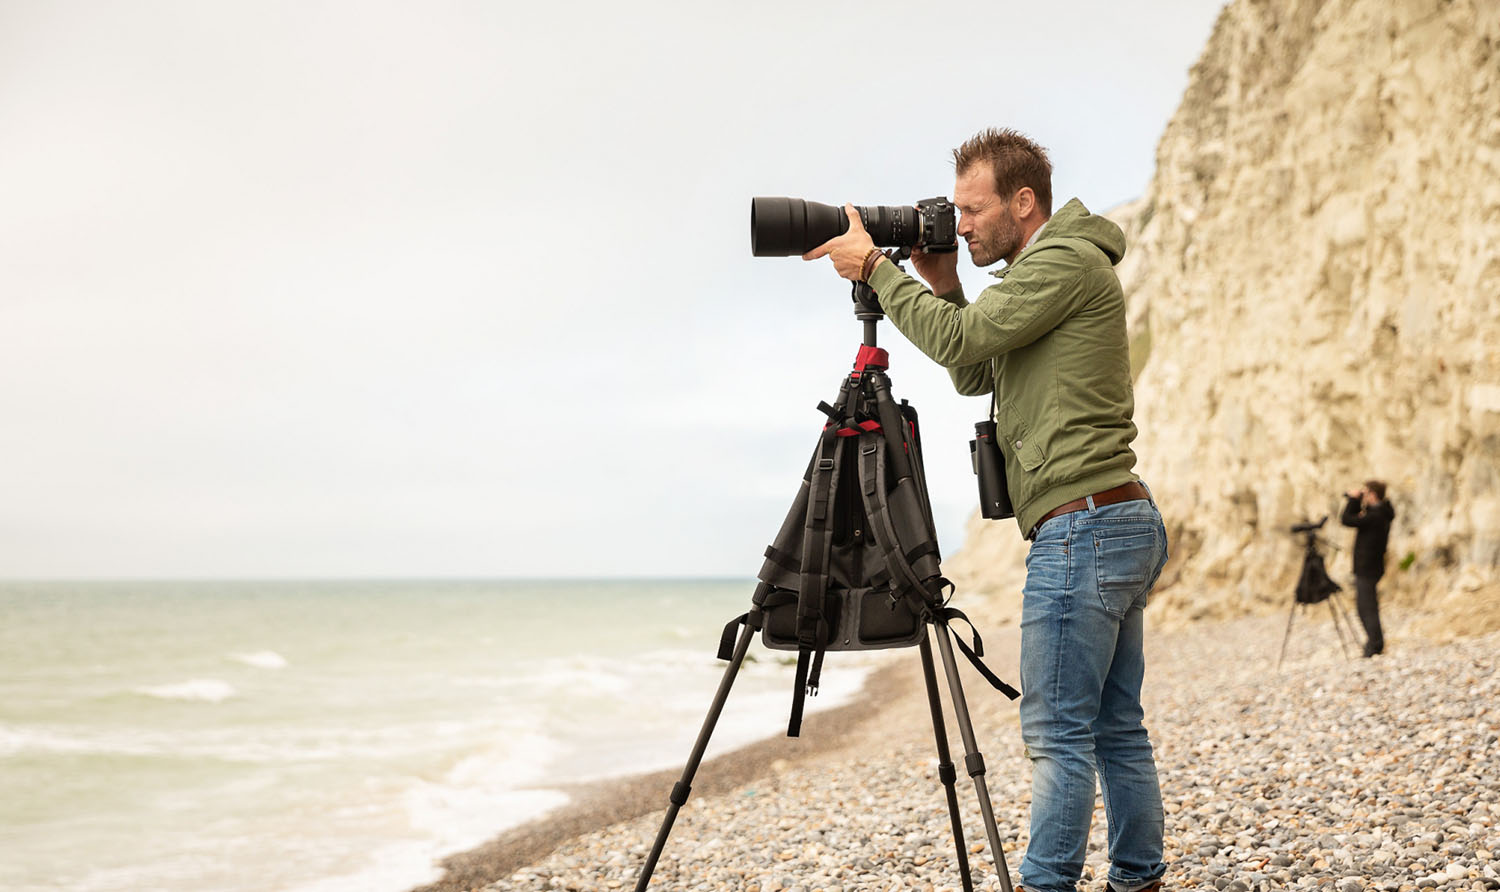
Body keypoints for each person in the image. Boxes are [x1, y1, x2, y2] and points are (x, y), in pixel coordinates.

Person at [804, 128, 1167, 892]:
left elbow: (966, 341)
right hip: (1110, 518)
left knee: (1057, 735)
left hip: (1085, 526)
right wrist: (939, 284)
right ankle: (1138, 878)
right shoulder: (1049, 271)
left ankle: (1046, 885)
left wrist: (874, 267)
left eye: (974, 210)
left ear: (1023, 201)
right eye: (958, 212)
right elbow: (973, 367)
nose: (961, 225)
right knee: (1113, 729)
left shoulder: (1061, 262)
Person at [1340, 479, 1394, 656]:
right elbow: (1355, 519)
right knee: (1365, 606)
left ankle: (1375, 645)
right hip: (1371, 566)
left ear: (1372, 494)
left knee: (1366, 607)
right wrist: (1358, 501)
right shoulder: (1382, 512)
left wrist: (1353, 500)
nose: (1363, 495)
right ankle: (1374, 643)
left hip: (1367, 567)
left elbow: (1347, 520)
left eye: (1365, 492)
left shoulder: (1376, 516)